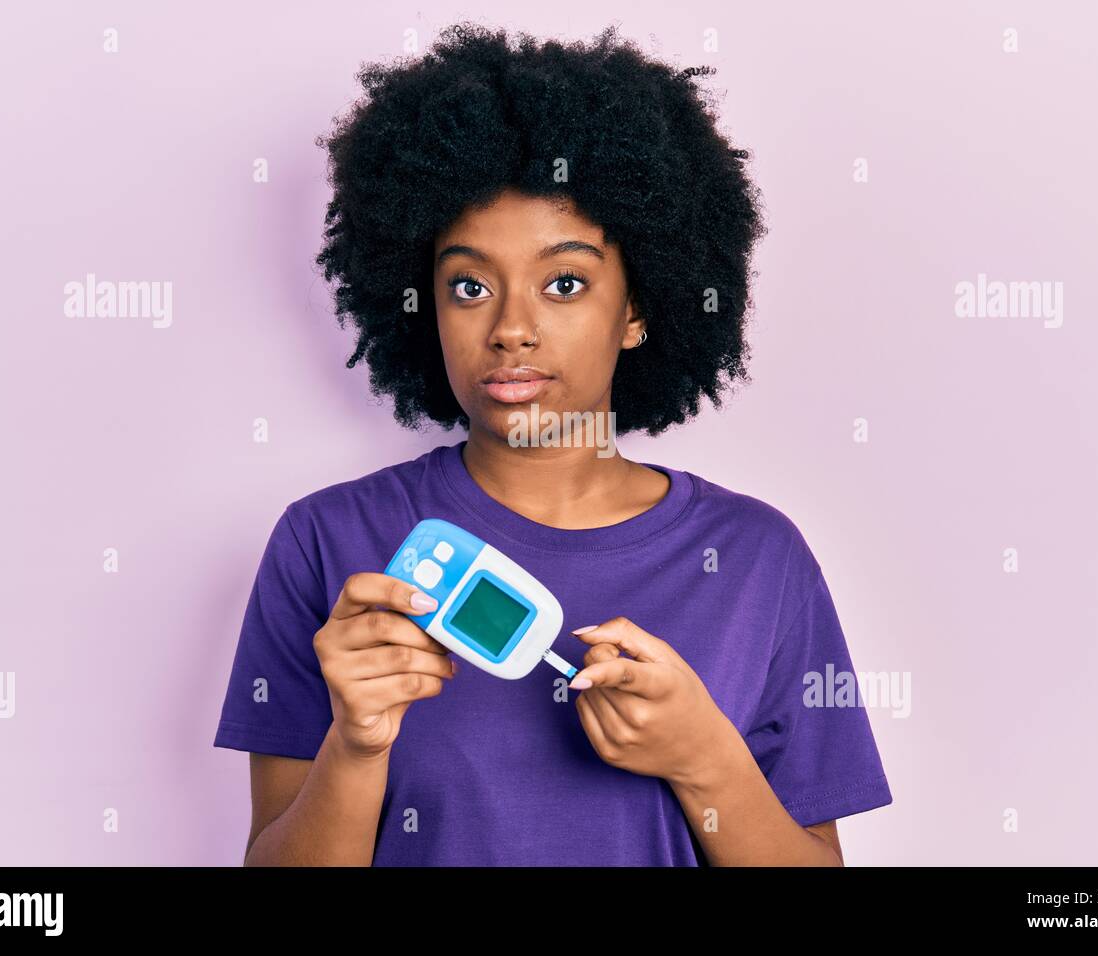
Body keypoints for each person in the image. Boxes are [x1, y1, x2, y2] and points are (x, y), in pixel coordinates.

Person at [213, 22, 892, 866]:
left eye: (564, 283)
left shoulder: (757, 558)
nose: (510, 329)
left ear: (639, 308)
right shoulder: (326, 543)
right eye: (469, 286)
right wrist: (356, 746)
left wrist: (705, 760)